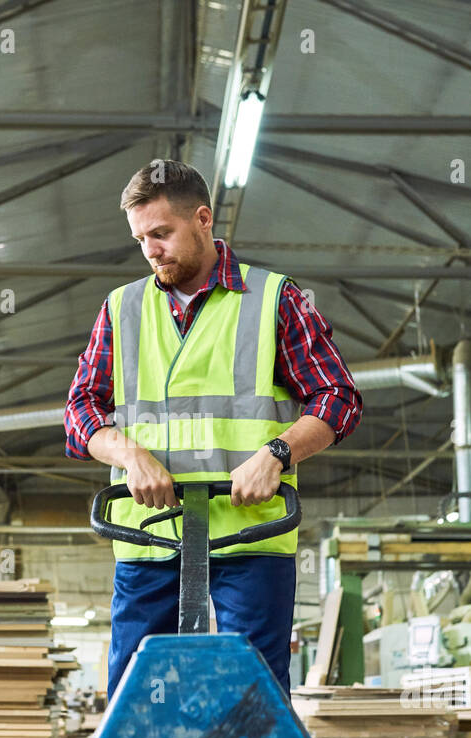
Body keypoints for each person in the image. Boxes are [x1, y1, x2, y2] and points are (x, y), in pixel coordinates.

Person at [64, 160, 362, 698]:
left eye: (161, 233)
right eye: (140, 239)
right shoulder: (121, 308)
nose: (151, 250)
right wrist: (130, 456)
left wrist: (277, 452)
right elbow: (80, 409)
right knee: (138, 693)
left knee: (254, 693)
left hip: (250, 532)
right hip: (147, 533)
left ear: (202, 220)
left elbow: (337, 397)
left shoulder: (273, 298)